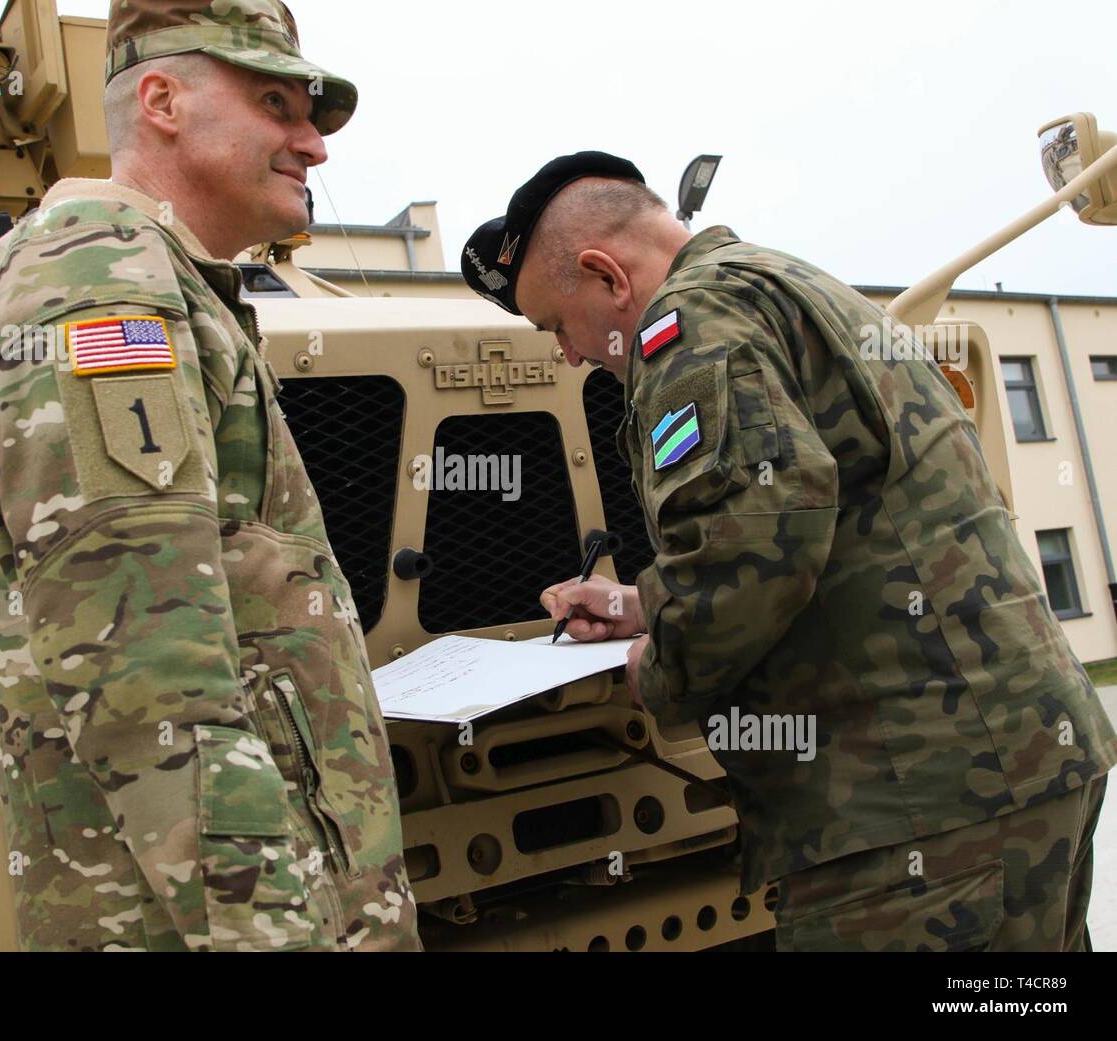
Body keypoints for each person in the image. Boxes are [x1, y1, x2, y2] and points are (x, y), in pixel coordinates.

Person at [461, 151, 1117, 951]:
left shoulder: (693, 324)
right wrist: (644, 602)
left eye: (557, 325)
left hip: (912, 808)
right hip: (1020, 756)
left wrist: (656, 667)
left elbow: (756, 545)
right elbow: (832, 518)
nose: (567, 354)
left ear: (606, 275)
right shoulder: (789, 283)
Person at [0, 0, 419, 951]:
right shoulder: (100, 283)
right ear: (161, 100)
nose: (312, 145)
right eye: (278, 105)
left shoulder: (155, 277)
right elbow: (150, 685)